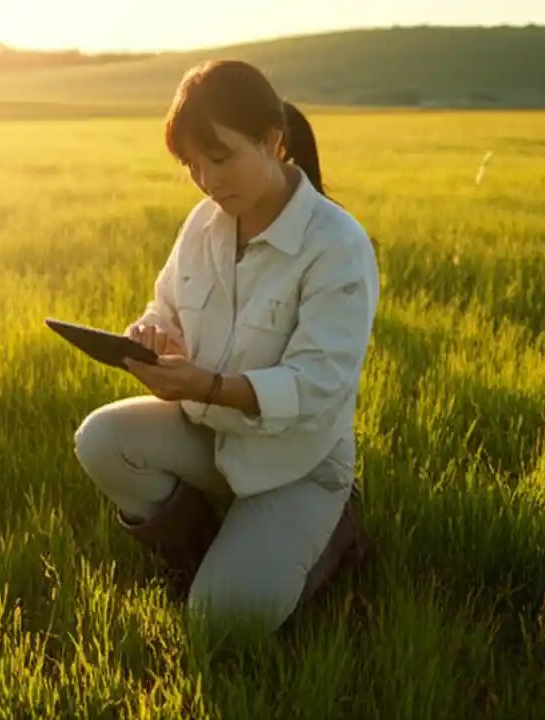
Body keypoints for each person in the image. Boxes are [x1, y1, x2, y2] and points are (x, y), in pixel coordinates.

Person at [73, 59, 380, 640]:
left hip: (298, 461)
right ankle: (206, 554)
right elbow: (164, 304)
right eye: (192, 166)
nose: (208, 181)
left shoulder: (336, 246)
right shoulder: (205, 222)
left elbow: (315, 387)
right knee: (102, 440)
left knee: (220, 623)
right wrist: (151, 335)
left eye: (220, 158)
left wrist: (208, 385)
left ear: (273, 142)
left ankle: (332, 534)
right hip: (210, 431)